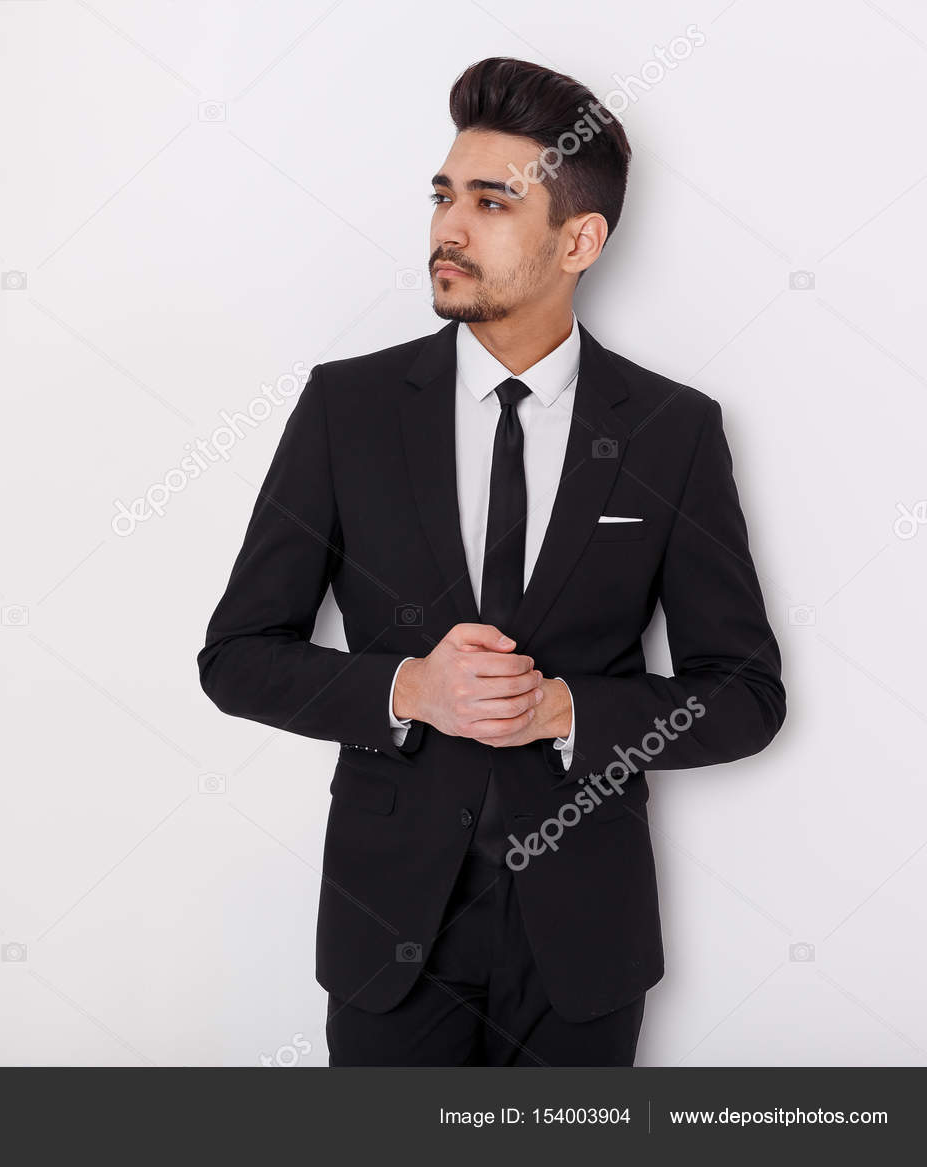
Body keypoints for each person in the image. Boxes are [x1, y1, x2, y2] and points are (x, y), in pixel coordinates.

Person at [196, 57, 785, 1066]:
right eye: (442, 196)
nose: (448, 229)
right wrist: (407, 690)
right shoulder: (348, 410)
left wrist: (567, 711)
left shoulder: (671, 432)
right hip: (389, 928)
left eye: (491, 202)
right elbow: (237, 656)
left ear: (579, 240)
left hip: (583, 938)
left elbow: (743, 695)